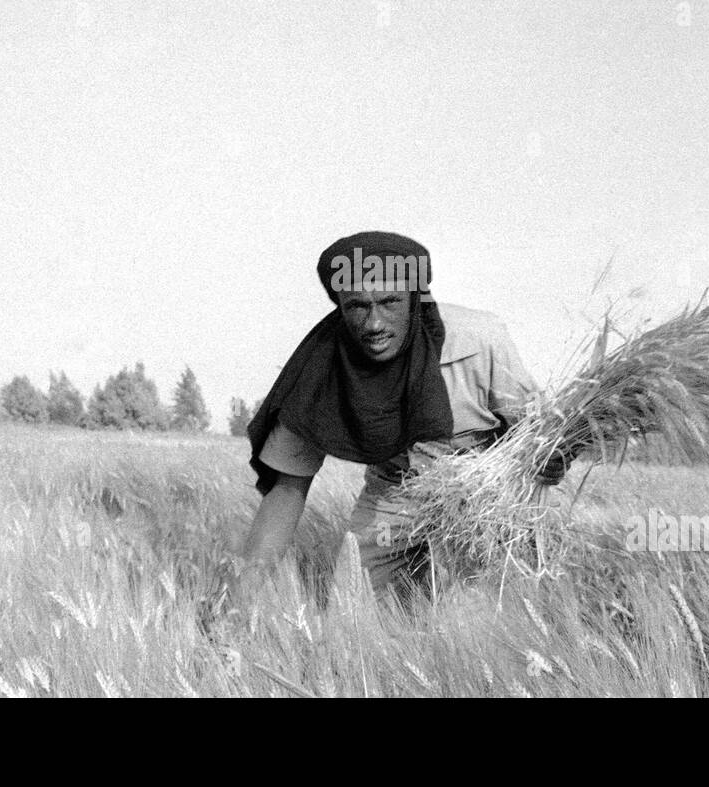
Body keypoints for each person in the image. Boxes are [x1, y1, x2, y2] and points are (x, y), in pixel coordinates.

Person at [242, 230, 565, 603]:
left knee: (477, 623)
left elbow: (539, 436)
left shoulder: (479, 339)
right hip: (392, 493)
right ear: (340, 307)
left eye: (389, 302)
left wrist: (551, 460)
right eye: (358, 306)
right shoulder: (319, 366)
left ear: (416, 299)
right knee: (349, 621)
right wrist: (241, 599)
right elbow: (287, 489)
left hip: (484, 496)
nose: (374, 324)